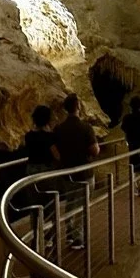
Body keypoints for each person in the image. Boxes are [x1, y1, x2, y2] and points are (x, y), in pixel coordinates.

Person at [50, 94, 99, 248]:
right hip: (83, 172)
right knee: (82, 206)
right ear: (78, 106)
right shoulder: (85, 127)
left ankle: (70, 234)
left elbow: (55, 152)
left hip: (66, 172)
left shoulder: (59, 128)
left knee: (70, 203)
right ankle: (78, 239)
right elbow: (95, 150)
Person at [23, 105, 54, 174]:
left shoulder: (28, 135)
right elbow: (56, 155)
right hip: (46, 170)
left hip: (31, 170)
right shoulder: (49, 136)